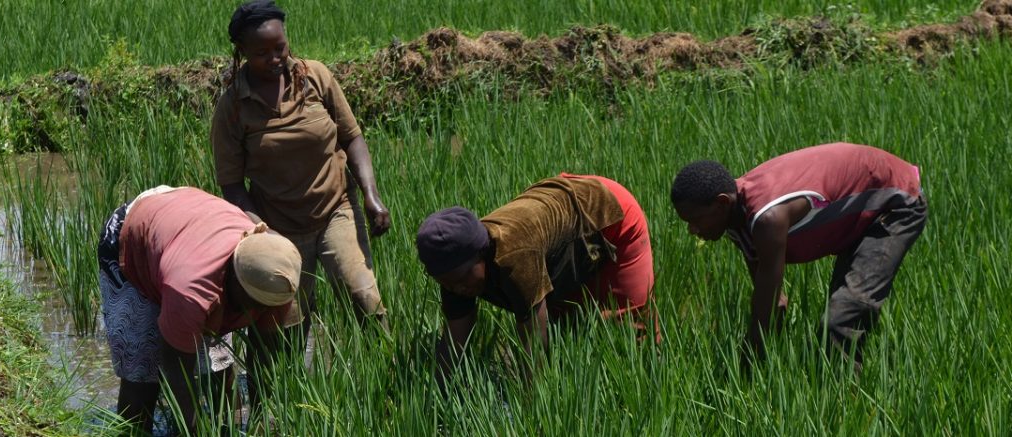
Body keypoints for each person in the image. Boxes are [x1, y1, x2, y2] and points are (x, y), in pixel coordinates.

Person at [210, 0, 390, 340]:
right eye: (262, 52)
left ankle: (389, 382)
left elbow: (352, 138)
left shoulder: (315, 77)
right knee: (284, 323)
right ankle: (277, 391)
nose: (275, 57)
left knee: (363, 299)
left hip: (336, 209)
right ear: (242, 50)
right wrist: (263, 232)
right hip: (278, 225)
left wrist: (371, 195)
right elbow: (232, 186)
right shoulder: (233, 107)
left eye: (280, 47)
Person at [670, 142, 928, 368]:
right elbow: (773, 303)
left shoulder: (767, 218)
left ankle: (843, 407)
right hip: (858, 213)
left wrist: (745, 371)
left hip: (894, 204)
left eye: (695, 220)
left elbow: (767, 306)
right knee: (841, 316)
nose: (692, 230)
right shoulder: (738, 223)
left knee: (840, 321)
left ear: (722, 203)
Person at [416, 173, 656, 386]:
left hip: (605, 210)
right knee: (567, 332)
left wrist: (532, 415)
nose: (457, 288)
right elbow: (456, 339)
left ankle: (652, 381)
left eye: (462, 278)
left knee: (629, 329)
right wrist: (436, 399)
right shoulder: (452, 270)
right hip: (559, 231)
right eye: (445, 283)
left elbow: (534, 348)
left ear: (482, 252)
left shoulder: (514, 256)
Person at [97, 186, 302, 433]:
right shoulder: (192, 289)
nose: (256, 312)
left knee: (219, 365)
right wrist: (193, 429)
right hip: (134, 237)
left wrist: (262, 422)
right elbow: (175, 364)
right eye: (252, 303)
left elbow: (264, 360)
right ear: (234, 279)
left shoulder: (276, 276)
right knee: (142, 373)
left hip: (189, 226)